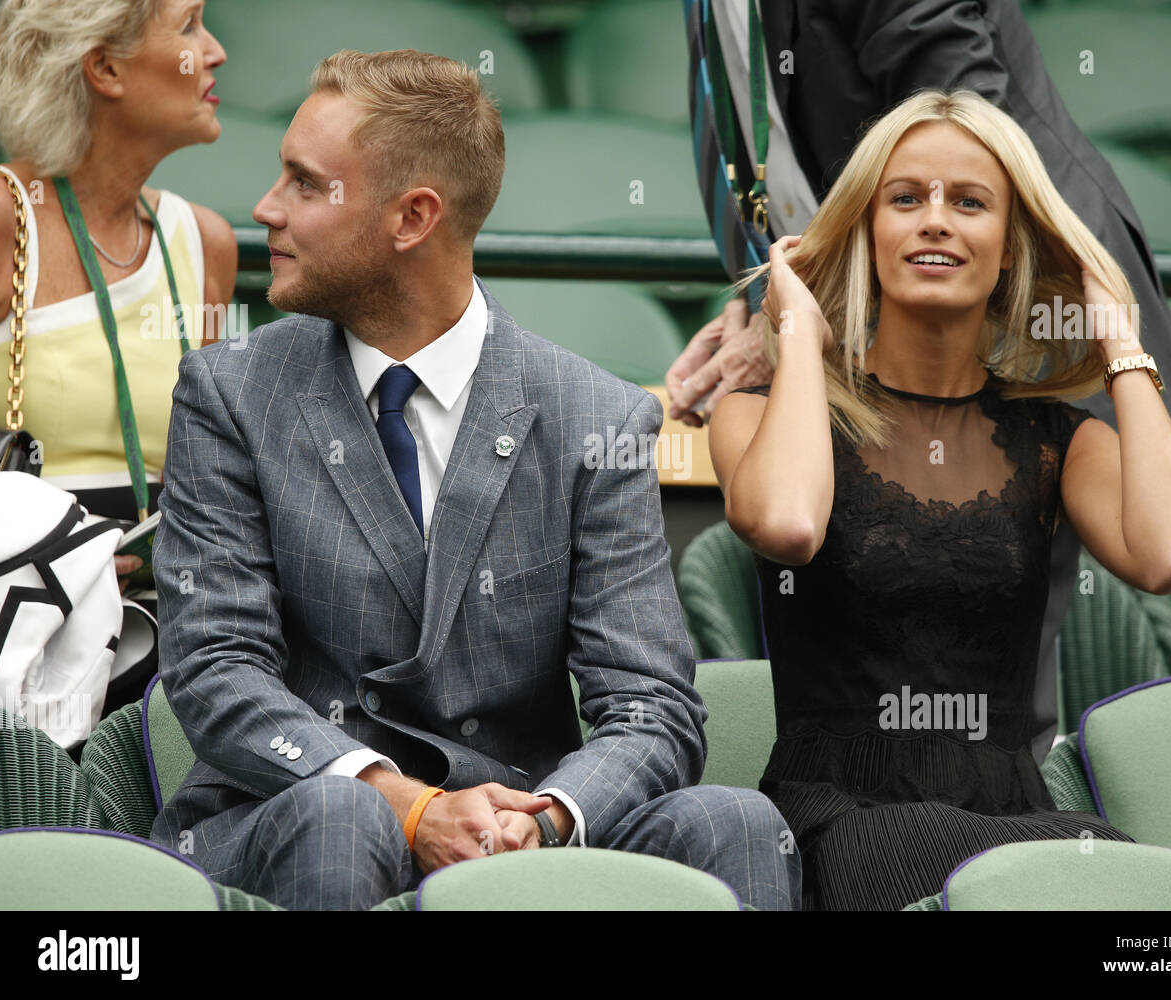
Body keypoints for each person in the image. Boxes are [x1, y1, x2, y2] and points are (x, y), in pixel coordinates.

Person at [148, 48, 800, 911]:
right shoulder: (230, 394)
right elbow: (215, 669)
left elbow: (650, 705)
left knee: (737, 822)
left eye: (306, 184)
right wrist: (406, 804)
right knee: (346, 820)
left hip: (516, 823)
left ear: (412, 217)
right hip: (297, 812)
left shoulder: (594, 417)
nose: (266, 208)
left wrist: (548, 818)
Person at [707, 89, 1171, 910]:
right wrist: (799, 334)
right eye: (905, 199)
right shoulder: (759, 415)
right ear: (869, 232)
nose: (935, 220)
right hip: (846, 814)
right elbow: (789, 524)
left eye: (969, 202)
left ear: (1008, 248)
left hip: (1017, 814)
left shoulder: (1057, 438)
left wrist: (1123, 343)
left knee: (1152, 900)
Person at [0, 0, 236, 564]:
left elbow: (218, 475)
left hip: (165, 631)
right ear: (105, 68)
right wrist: (60, 559)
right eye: (189, 25)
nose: (215, 51)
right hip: (16, 632)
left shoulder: (205, 242)